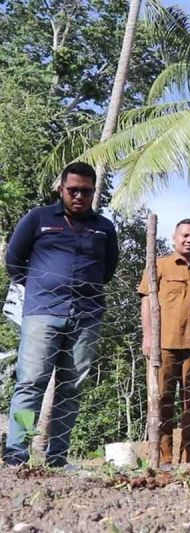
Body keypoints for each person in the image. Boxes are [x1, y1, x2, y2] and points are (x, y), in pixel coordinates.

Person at [3, 162, 119, 467]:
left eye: (86, 191)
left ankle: (57, 458)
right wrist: (44, 288)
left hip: (87, 316)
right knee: (31, 383)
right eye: (73, 190)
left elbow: (106, 271)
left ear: (94, 192)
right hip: (43, 313)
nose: (79, 196)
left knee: (71, 388)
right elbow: (14, 262)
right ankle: (17, 454)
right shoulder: (37, 218)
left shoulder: (104, 228)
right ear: (61, 189)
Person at [138, 219, 190, 465]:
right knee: (162, 401)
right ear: (174, 237)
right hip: (164, 346)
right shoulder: (159, 266)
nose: (189, 240)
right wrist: (148, 337)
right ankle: (164, 459)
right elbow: (146, 302)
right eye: (185, 235)